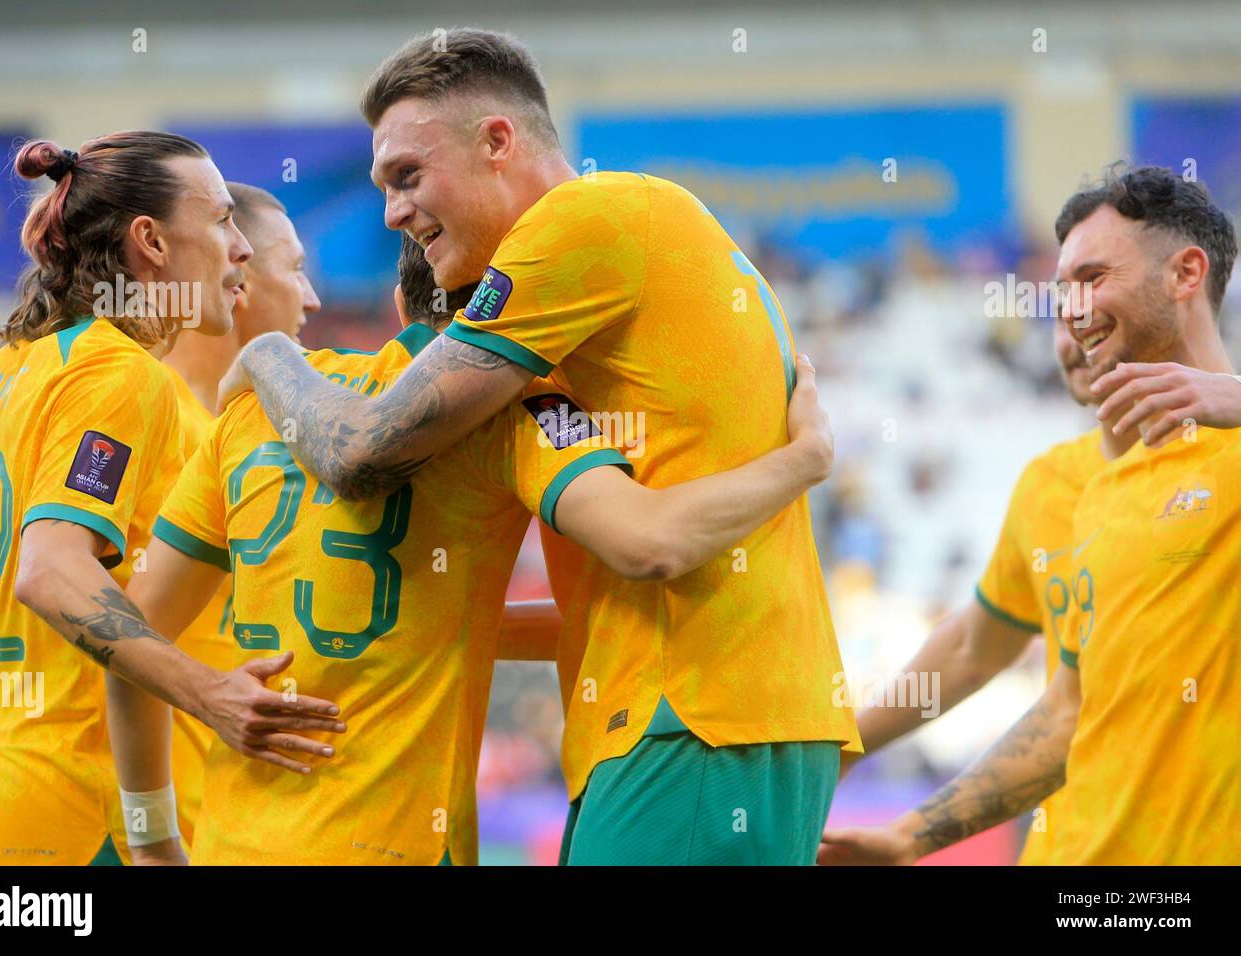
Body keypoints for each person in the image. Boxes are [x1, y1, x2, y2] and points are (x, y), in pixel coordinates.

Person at [221, 27, 859, 865]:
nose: (392, 213)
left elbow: (362, 453)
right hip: (736, 710)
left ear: (497, 142)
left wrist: (268, 355)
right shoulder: (644, 235)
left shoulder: (577, 224)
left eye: (407, 176)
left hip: (690, 716)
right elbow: (615, 570)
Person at [112, 233, 836, 865]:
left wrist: (151, 838)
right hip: (403, 843)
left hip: (235, 843)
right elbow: (650, 539)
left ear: (401, 304)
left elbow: (130, 642)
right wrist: (804, 458)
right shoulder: (517, 411)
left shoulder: (253, 411)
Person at [820, 164, 1241, 865]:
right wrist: (903, 829)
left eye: (1093, 277)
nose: (1071, 314)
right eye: (1061, 292)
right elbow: (1063, 705)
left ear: (1186, 274)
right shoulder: (1103, 488)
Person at [0, 133, 338, 866]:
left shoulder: (7, 368)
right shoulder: (121, 376)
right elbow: (51, 571)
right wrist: (210, 693)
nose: (239, 249)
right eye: (221, 220)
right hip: (73, 812)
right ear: (150, 241)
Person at [842, 315, 1104, 865]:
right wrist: (844, 751)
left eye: (1096, 281)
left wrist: (913, 834)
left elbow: (1075, 712)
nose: (1069, 336)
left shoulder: (1220, 473)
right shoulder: (1052, 482)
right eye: (1061, 311)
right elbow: (973, 648)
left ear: (1186, 276)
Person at [159, 182, 323, 849]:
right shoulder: (143, 418)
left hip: (230, 822)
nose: (312, 298)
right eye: (297, 269)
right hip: (127, 824)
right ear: (238, 273)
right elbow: (70, 604)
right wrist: (148, 831)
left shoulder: (241, 431)